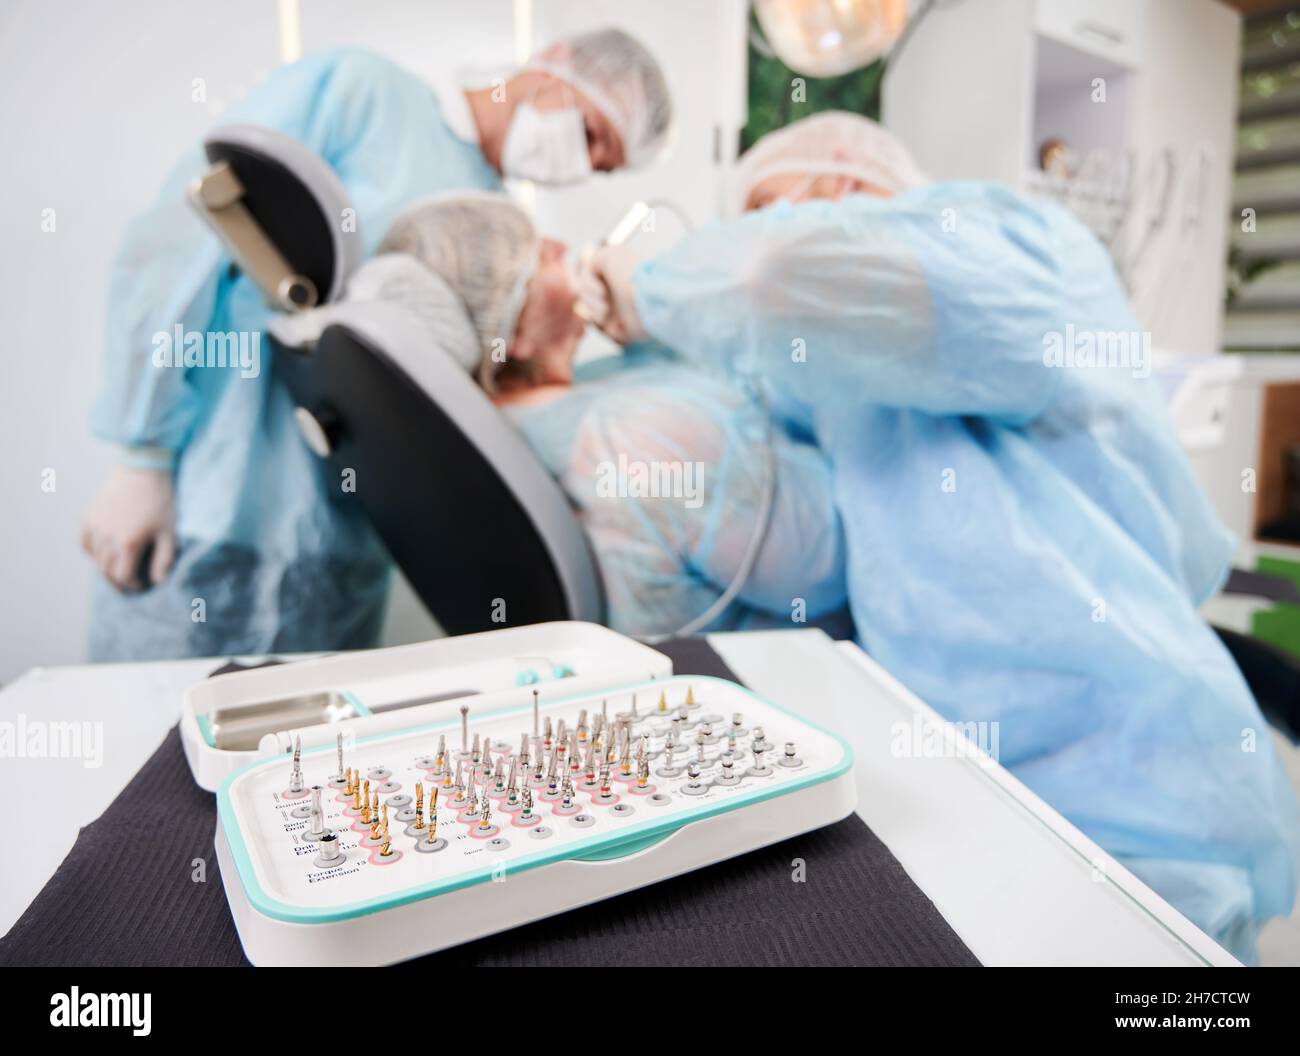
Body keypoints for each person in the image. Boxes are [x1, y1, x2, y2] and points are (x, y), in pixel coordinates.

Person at [579, 112, 1300, 961]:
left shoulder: (1007, 240)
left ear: (843, 183)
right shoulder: (844, 368)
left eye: (773, 206)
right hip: (973, 787)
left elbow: (772, 274)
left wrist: (651, 287)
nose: (760, 231)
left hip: (1137, 789)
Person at [81, 31, 673, 660]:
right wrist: (141, 454)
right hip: (217, 492)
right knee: (159, 736)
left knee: (317, 751)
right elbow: (181, 242)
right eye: (588, 136)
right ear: (553, 67)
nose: (581, 166)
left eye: (600, 166)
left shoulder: (498, 216)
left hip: (347, 544)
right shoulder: (366, 94)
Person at [372, 193, 850, 636]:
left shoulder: (497, 433)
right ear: (507, 334)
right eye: (539, 255)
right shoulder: (639, 437)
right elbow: (822, 565)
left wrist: (660, 327)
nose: (561, 246)